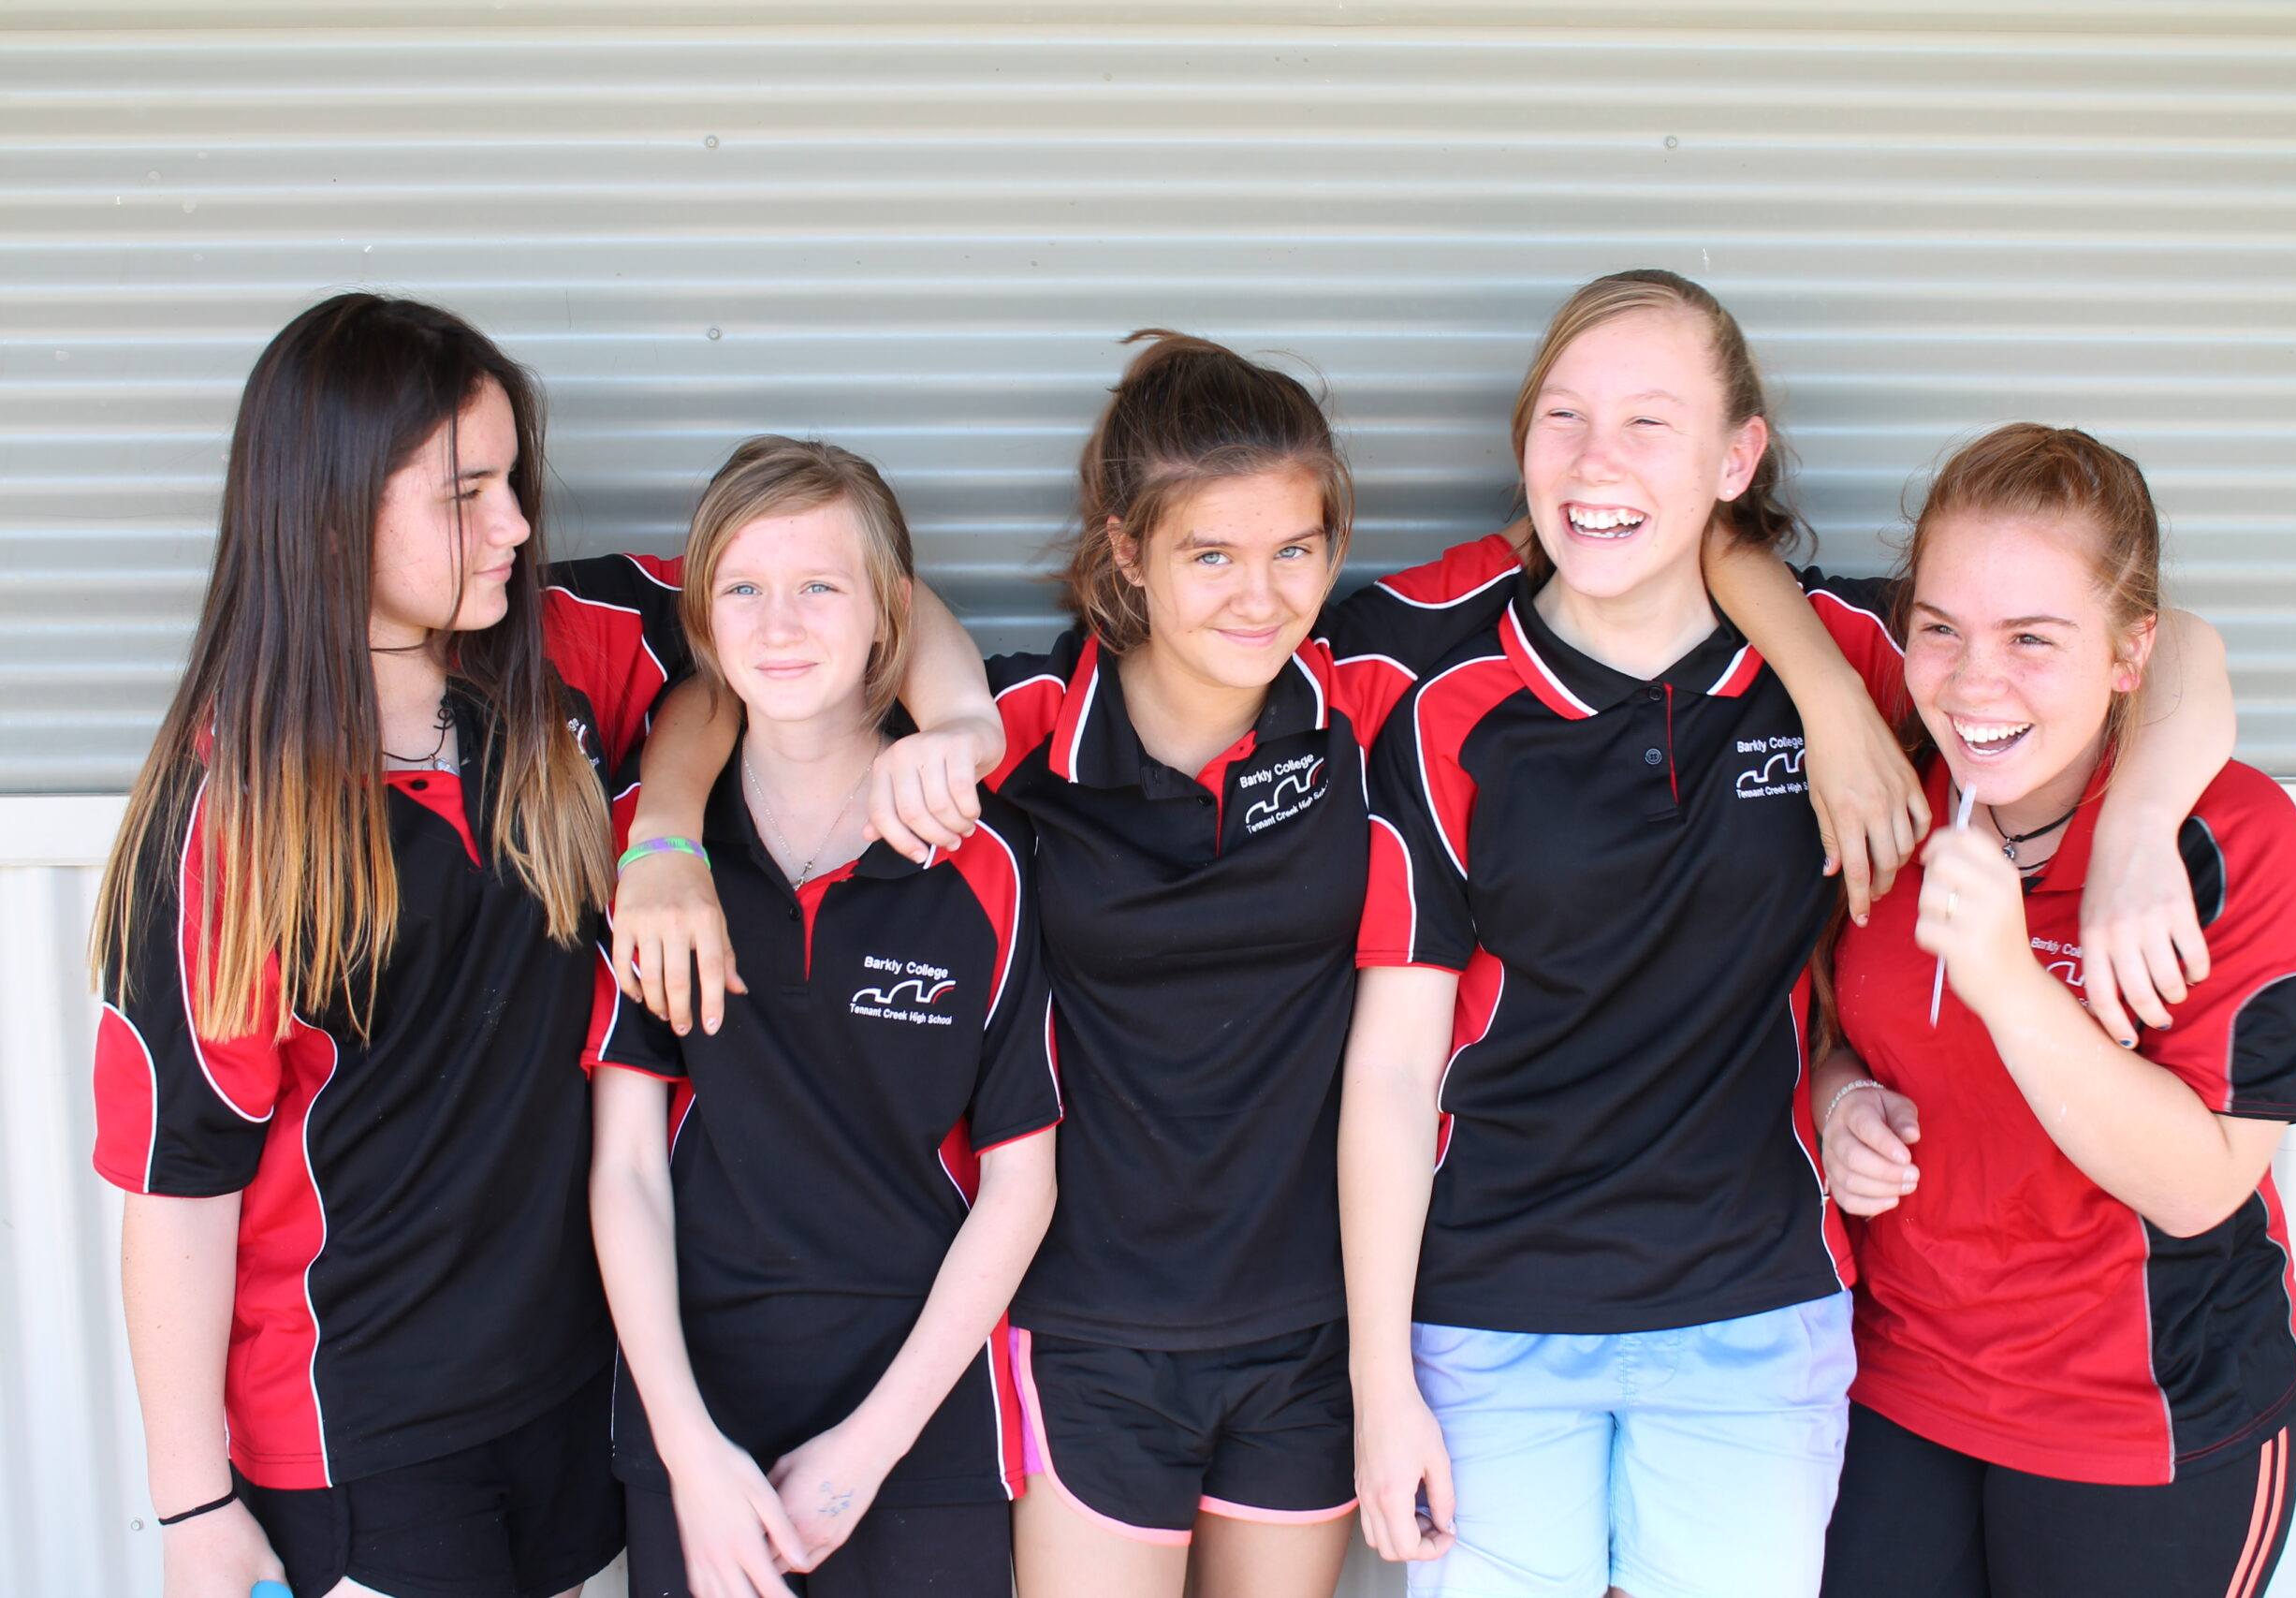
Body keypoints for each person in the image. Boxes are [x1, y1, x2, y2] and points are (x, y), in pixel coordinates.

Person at [607, 328, 1947, 1598]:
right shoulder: (1024, 726)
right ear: (1127, 552)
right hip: (1093, 1326)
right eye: (1208, 555)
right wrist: (674, 827)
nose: (1259, 594)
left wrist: (1830, 697)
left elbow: (1648, 540)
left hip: (1311, 1331)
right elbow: (776, 643)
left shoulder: (1365, 685)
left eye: (1296, 548)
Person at [1338, 271, 2238, 1598]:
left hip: (1754, 1316)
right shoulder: (1441, 690)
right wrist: (1379, 1385)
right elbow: (1394, 1072)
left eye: (1652, 422)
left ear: (1736, 453)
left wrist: (2138, 828)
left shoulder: (1858, 650)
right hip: (1493, 1315)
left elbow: (2174, 647)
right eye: (1565, 417)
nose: (1598, 458)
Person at [90, 294, 645, 1598]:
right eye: (466, 491)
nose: (514, 523)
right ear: (334, 510)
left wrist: (665, 827)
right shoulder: (231, 817)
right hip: (363, 1444)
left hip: (575, 1397)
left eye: (512, 479)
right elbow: (177, 1187)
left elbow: (811, 588)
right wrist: (192, 1507)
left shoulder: (554, 658)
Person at [1813, 424, 2296, 1598]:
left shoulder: (2227, 842)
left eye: (2032, 641)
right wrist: (1839, 1101)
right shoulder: (1892, 784)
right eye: (1939, 627)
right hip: (1904, 1387)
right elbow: (1837, 1028)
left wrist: (2010, 977)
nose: (1973, 679)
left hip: (2146, 1421)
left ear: (2125, 654)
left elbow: (2204, 1182)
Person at [585, 436, 1061, 1598]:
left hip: (921, 1421)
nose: (779, 624)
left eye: (819, 587)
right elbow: (629, 1173)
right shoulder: (657, 855)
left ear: (889, 613)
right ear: (702, 614)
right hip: (699, 1414)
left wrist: (867, 1451)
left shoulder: (985, 858)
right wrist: (688, 1449)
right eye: (742, 588)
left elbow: (1021, 1185)